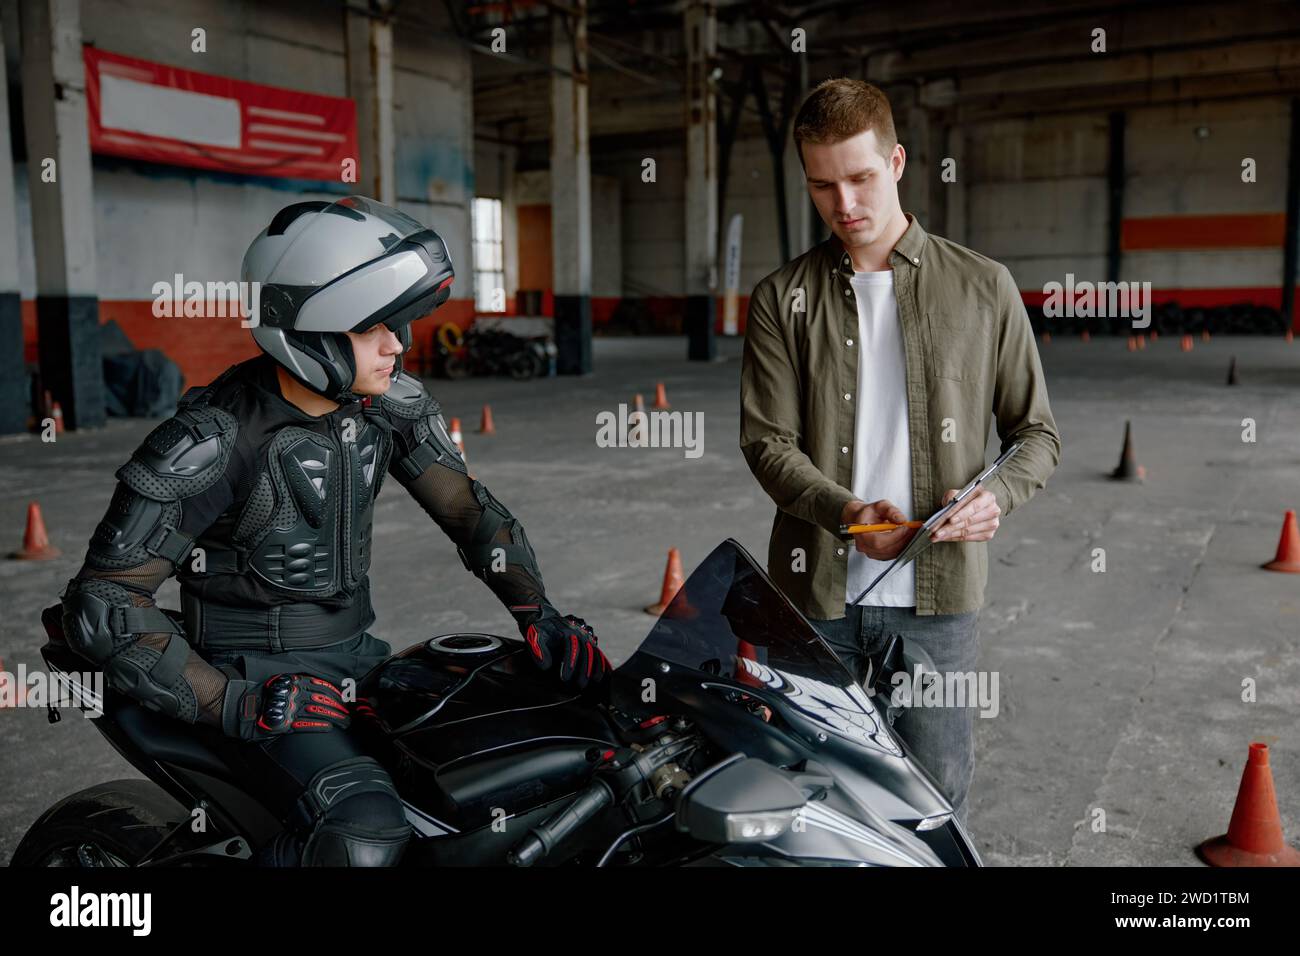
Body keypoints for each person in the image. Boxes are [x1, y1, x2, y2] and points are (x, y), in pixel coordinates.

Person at [58, 196, 608, 866]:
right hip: (248, 675)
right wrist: (236, 703)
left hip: (357, 658)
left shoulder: (390, 407)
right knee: (365, 839)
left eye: (397, 323)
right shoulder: (212, 439)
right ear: (308, 330)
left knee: (525, 758)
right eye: (372, 326)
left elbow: (471, 514)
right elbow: (106, 601)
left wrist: (538, 614)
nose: (397, 344)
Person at [739, 79, 1061, 829]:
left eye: (859, 178)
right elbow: (767, 444)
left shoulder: (983, 287)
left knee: (935, 799)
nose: (843, 203)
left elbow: (1035, 434)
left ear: (898, 162)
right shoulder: (781, 298)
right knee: (805, 794)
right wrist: (847, 512)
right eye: (822, 185)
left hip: (936, 606)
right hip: (814, 595)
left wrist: (997, 497)